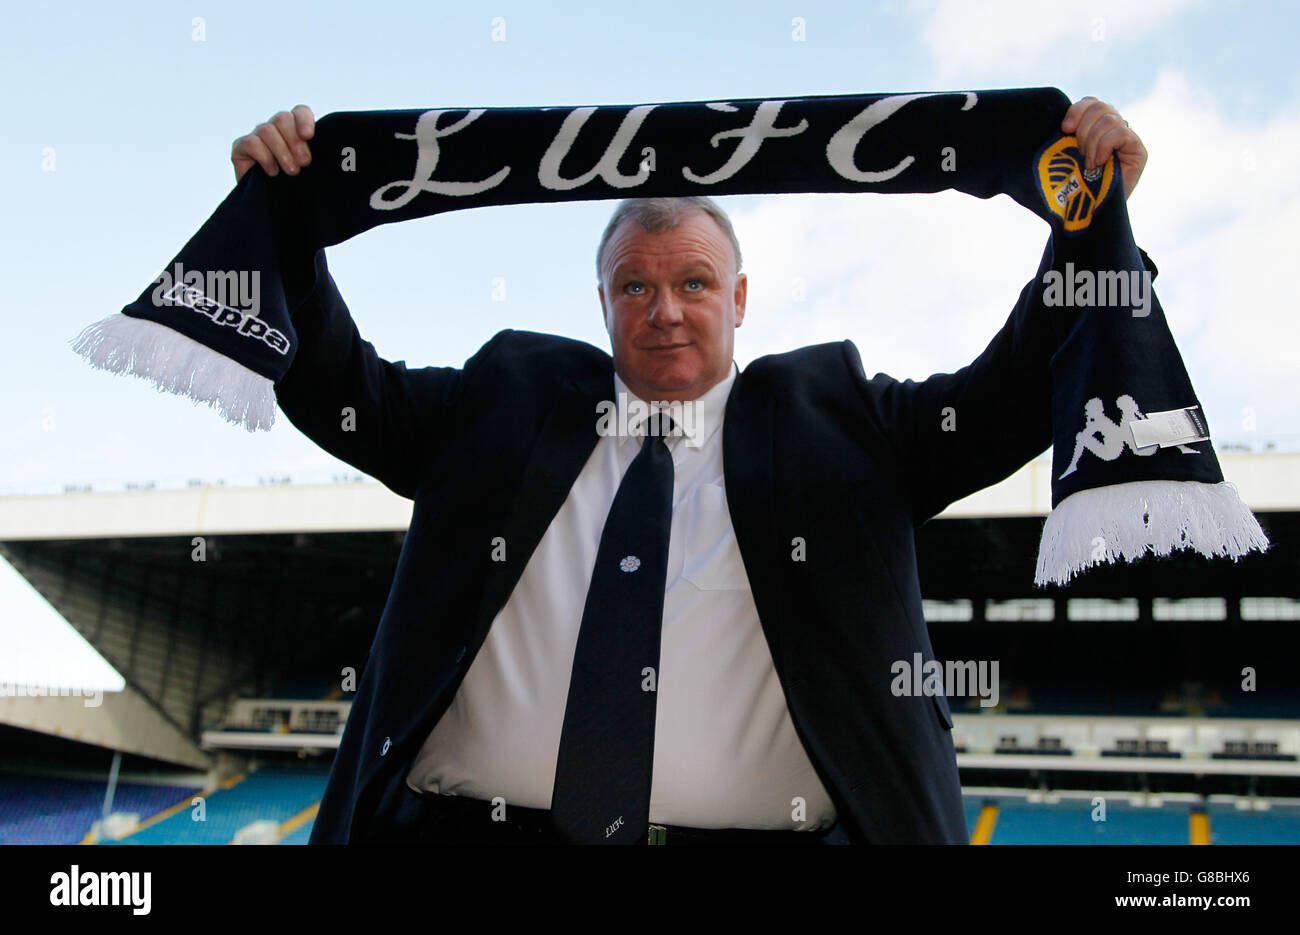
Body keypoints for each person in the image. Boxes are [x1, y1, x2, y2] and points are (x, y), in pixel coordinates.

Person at [231, 96, 1149, 844]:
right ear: (602, 303)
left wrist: (1085, 226)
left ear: (739, 298)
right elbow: (335, 384)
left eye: (695, 283)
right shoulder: (504, 399)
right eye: (636, 285)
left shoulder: (846, 422)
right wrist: (287, 224)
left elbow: (1011, 396)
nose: (665, 311)